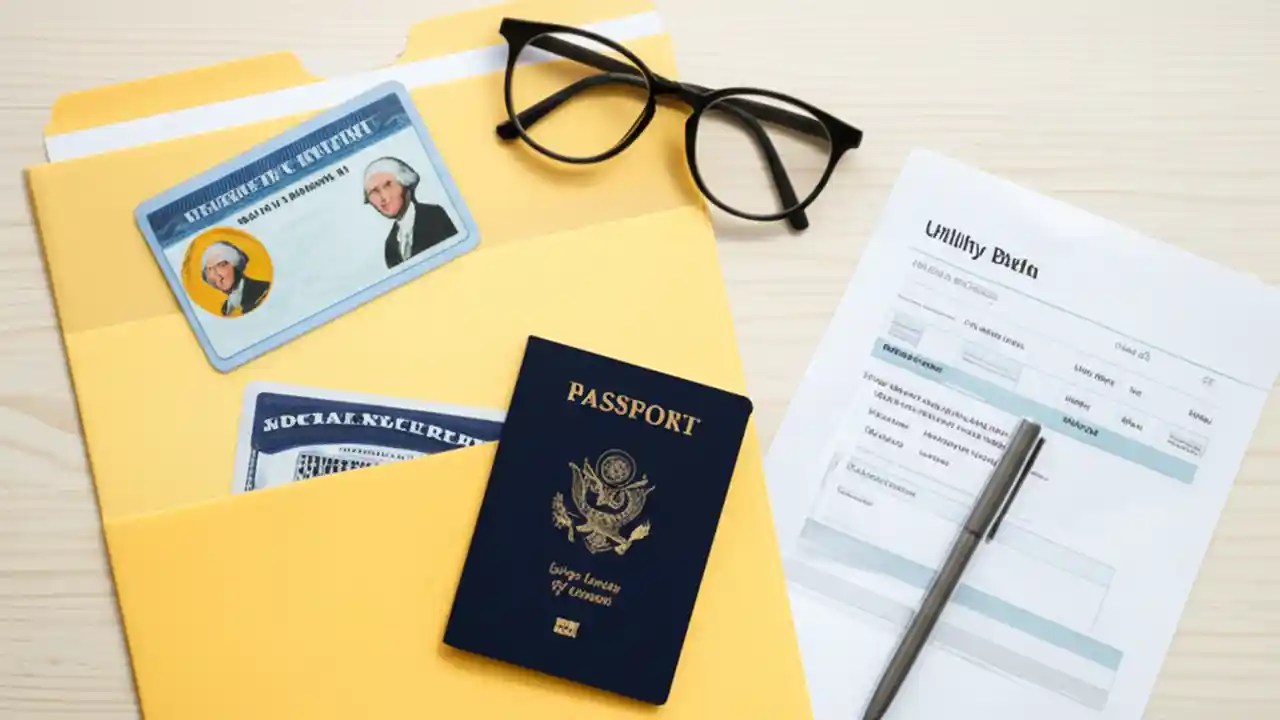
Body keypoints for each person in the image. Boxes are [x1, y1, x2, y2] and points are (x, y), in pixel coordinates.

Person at [362, 157, 458, 269]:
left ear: (406, 183)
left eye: (388, 185)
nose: (383, 197)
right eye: (374, 192)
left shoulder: (434, 216)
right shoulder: (390, 245)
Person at [201, 241, 270, 316]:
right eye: (210, 269)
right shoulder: (225, 309)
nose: (217, 275)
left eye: (222, 265)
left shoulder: (263, 290)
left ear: (236, 264)